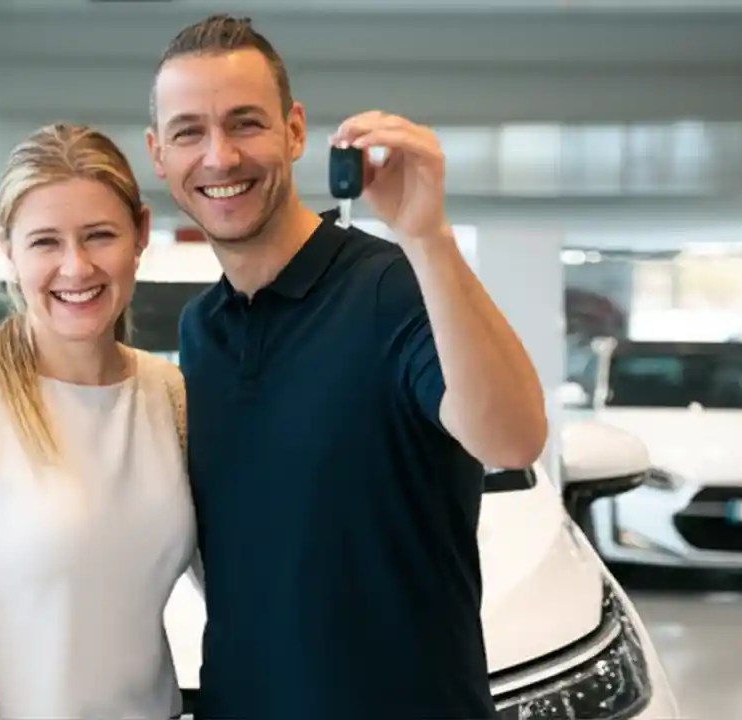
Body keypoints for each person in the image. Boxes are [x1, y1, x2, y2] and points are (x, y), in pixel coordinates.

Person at [143, 15, 549, 719]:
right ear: (158, 153)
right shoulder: (201, 330)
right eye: (188, 132)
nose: (219, 157)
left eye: (245, 123)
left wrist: (428, 238)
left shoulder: (394, 288)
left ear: (295, 131)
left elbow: (513, 439)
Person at [0, 123, 196, 719]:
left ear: (140, 233)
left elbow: (243, 583)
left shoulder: (170, 395)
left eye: (99, 235)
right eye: (46, 242)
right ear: (9, 249)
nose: (76, 267)